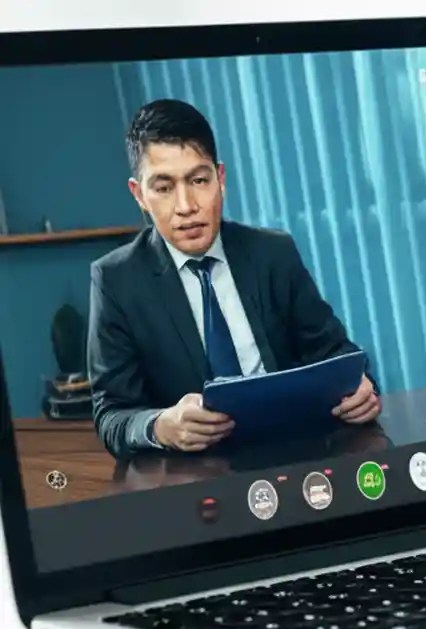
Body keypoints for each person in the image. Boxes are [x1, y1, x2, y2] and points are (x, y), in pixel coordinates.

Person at [88, 99, 381, 458]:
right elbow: (111, 414)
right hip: (198, 475)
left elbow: (336, 353)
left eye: (198, 180)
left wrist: (362, 388)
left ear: (220, 179)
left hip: (297, 451)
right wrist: (159, 426)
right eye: (164, 188)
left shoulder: (273, 252)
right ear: (140, 196)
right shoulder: (116, 280)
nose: (186, 206)